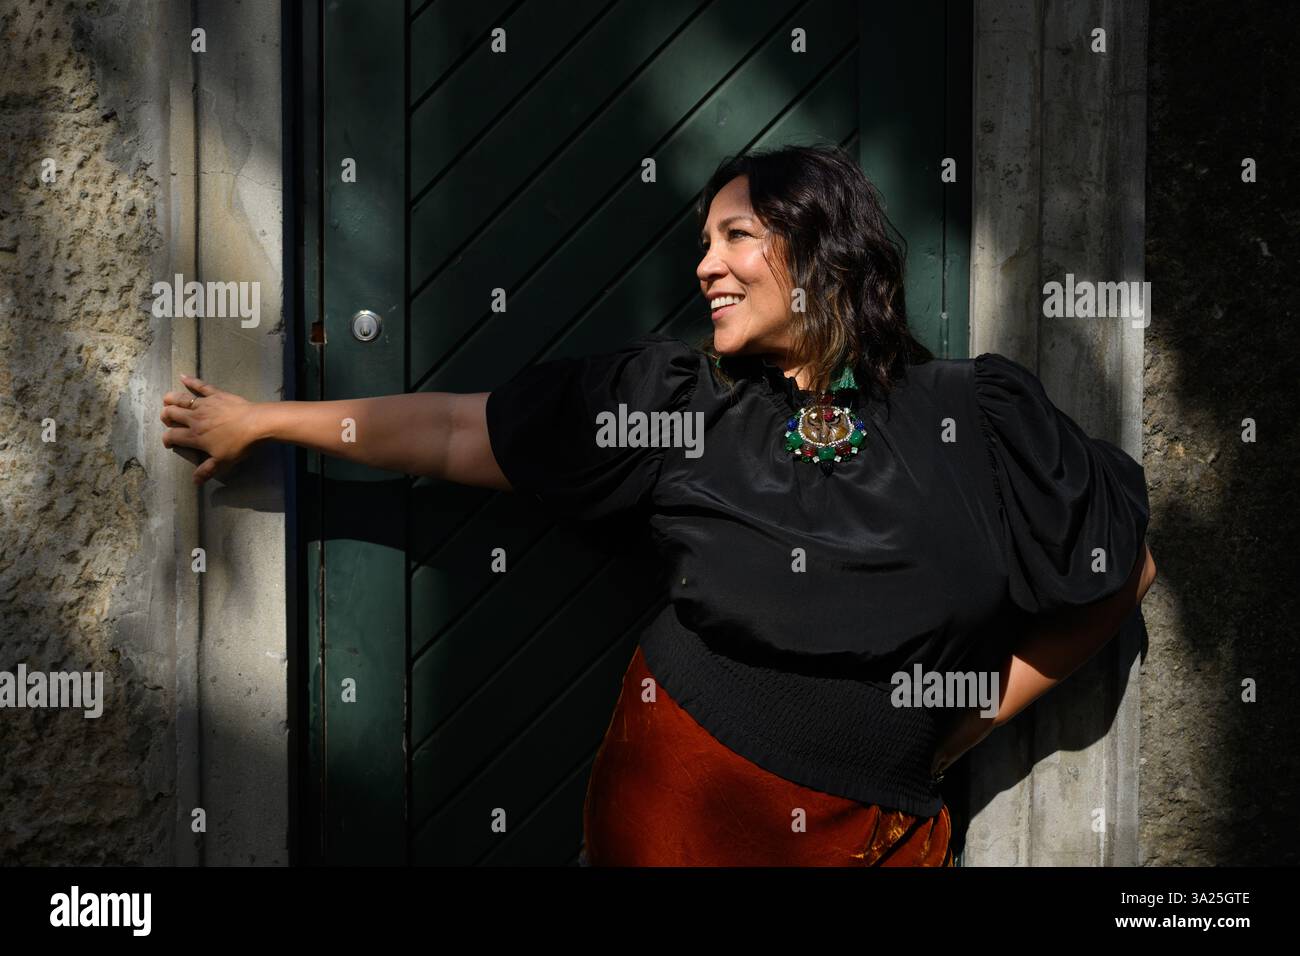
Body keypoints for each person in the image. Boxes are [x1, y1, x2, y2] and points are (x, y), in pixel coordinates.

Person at [159, 144, 1157, 867]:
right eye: (702, 242)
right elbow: (459, 432)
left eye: (735, 236)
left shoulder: (973, 417)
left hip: (870, 835)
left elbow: (1120, 571)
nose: (703, 265)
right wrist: (264, 419)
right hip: (674, 810)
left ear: (822, 251)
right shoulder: (680, 409)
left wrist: (965, 716)